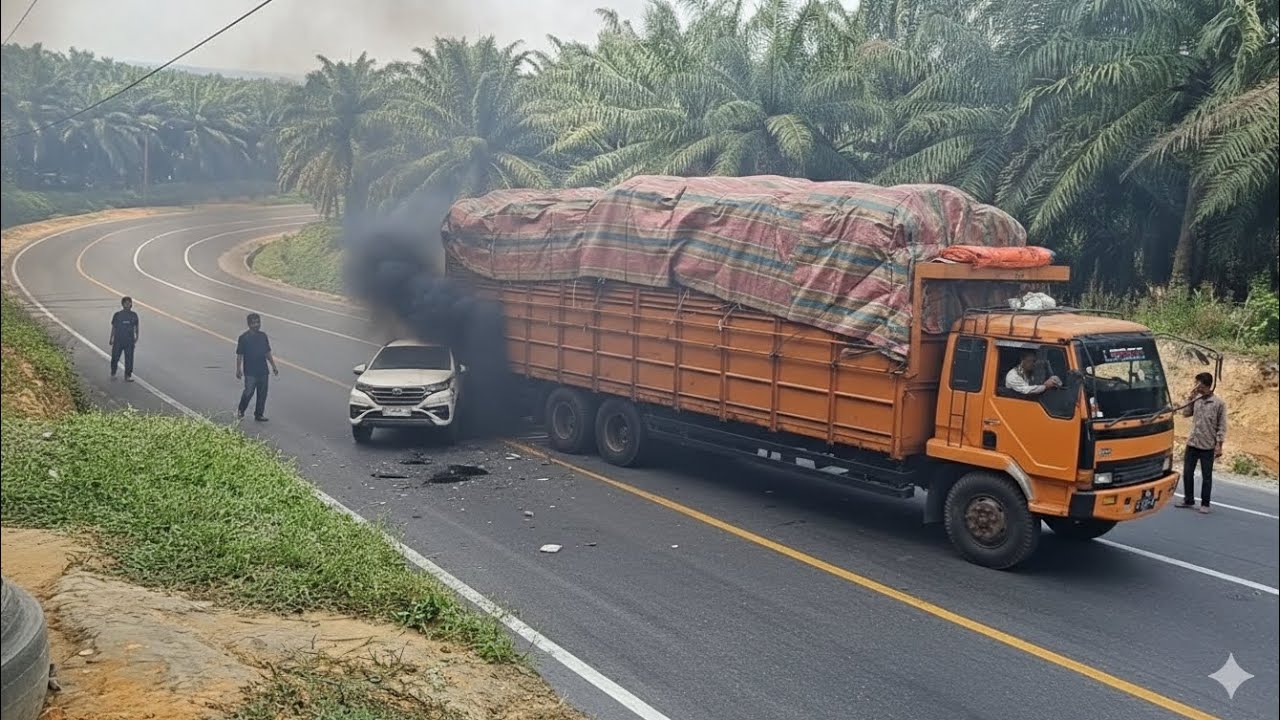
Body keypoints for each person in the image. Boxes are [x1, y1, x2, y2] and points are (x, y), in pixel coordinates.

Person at [1178, 372, 1227, 513]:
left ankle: (1205, 504)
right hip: (1192, 443)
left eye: (1198, 383)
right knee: (1187, 473)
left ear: (1205, 385)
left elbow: (1222, 426)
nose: (1195, 386)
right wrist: (1190, 397)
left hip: (1207, 446)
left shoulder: (1218, 403)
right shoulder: (1196, 399)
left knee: (1206, 477)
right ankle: (1188, 500)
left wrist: (1219, 445)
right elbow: (1185, 413)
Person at [235, 313, 278, 421]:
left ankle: (259, 414)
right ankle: (241, 410)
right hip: (250, 371)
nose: (256, 325)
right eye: (254, 323)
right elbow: (240, 354)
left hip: (263, 370)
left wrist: (273, 366)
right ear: (249, 324)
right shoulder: (243, 338)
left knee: (262, 393)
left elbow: (267, 352)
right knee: (248, 392)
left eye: (258, 322)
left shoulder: (263, 336)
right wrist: (238, 369)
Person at [108, 296, 140, 381]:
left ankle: (128, 375)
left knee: (129, 359)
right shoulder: (117, 315)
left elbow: (136, 326)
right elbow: (114, 327)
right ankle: (113, 373)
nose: (128, 304)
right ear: (123, 304)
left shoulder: (134, 315)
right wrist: (111, 338)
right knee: (115, 357)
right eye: (126, 303)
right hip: (118, 340)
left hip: (129, 341)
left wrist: (136, 336)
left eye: (129, 303)